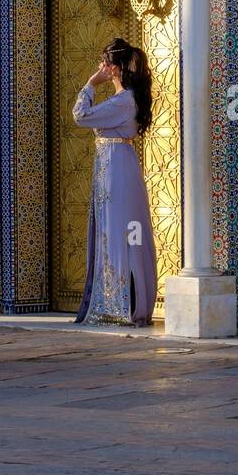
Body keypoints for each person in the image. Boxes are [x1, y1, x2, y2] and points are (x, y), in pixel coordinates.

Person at [73, 38, 157, 327]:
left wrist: (90, 83)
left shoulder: (124, 101)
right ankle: (123, 301)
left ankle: (124, 304)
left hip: (117, 170)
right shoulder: (124, 99)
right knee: (120, 231)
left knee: (123, 233)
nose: (100, 67)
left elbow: (80, 115)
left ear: (115, 68)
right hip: (115, 165)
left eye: (104, 63)